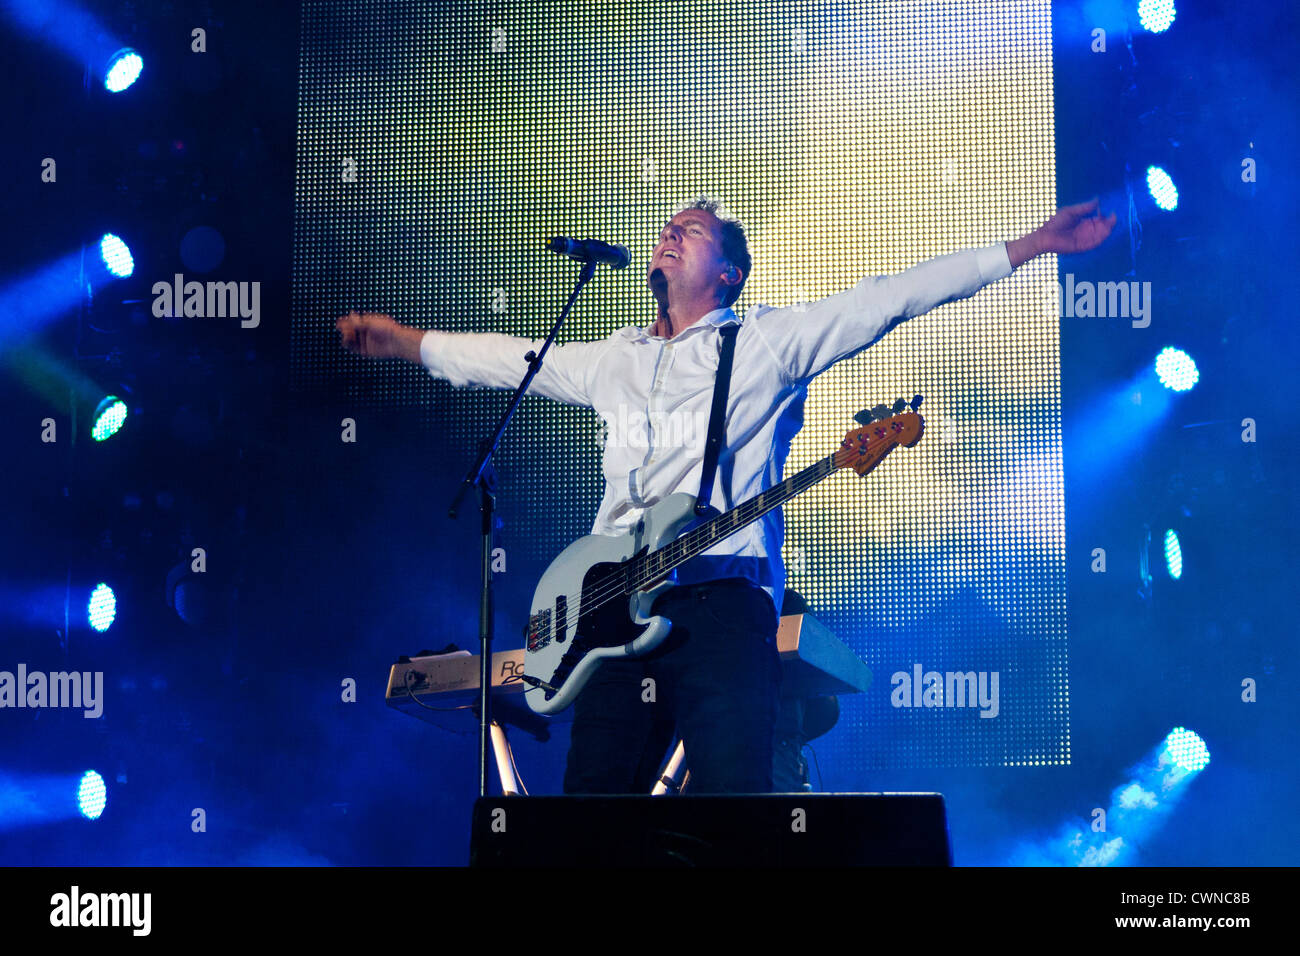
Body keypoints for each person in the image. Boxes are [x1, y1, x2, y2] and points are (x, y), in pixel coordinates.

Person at [337, 195, 1116, 794]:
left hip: (722, 608)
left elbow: (889, 298)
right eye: (669, 224)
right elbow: (516, 361)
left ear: (729, 274)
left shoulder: (766, 345)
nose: (670, 231)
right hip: (606, 614)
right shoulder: (615, 359)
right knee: (588, 825)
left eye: (694, 230)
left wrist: (1032, 245)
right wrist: (408, 342)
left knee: (730, 815)